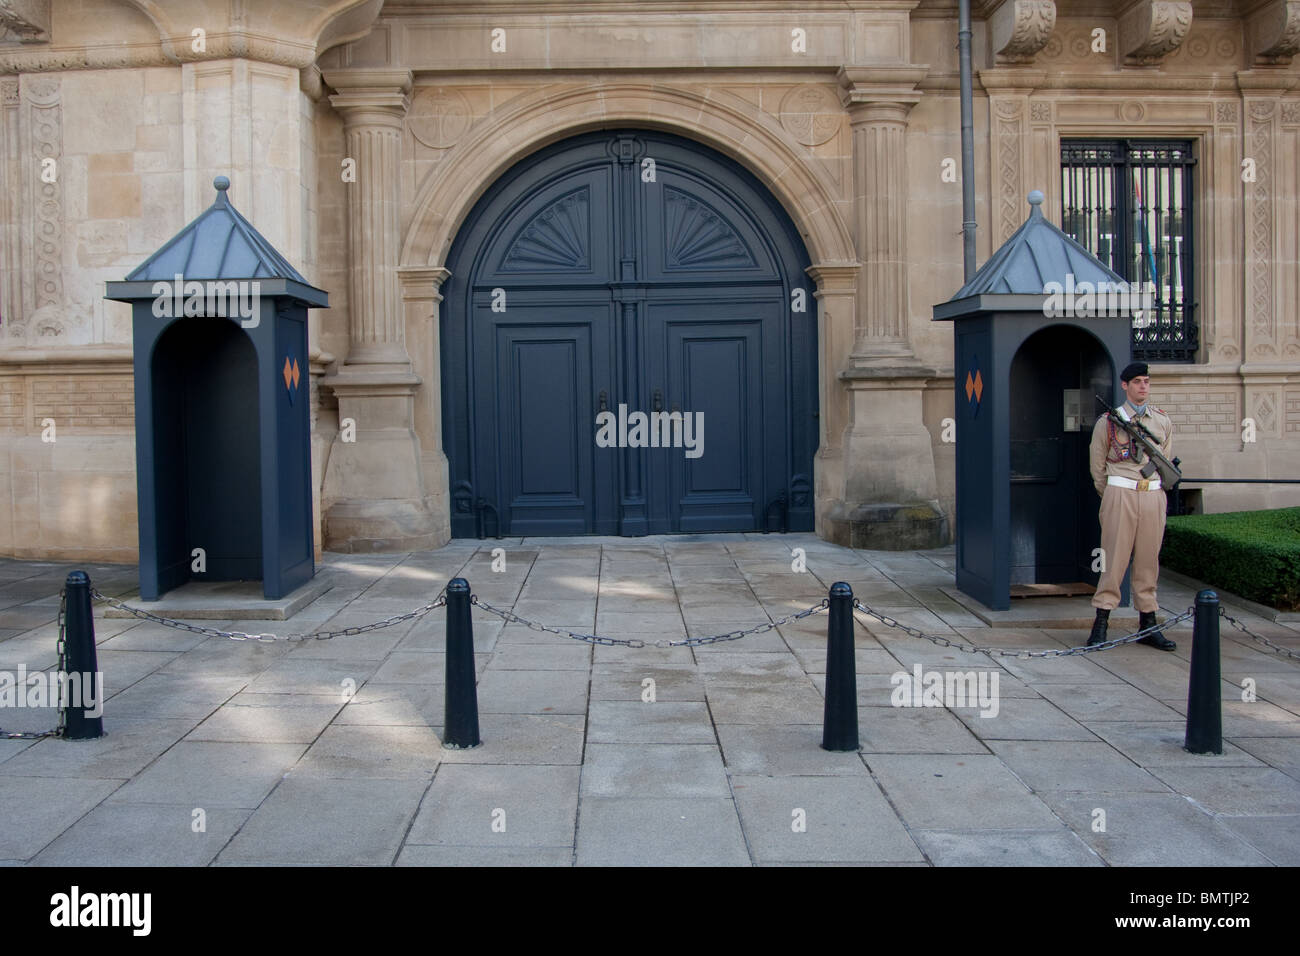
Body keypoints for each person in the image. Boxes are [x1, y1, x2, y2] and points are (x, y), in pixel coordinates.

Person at [1086, 362, 1176, 651]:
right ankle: (1101, 622)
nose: (1143, 386)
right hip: (1120, 493)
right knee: (1113, 562)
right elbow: (1097, 467)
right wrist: (1113, 493)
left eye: (1147, 381)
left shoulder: (1161, 421)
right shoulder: (1108, 422)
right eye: (1137, 381)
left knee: (1149, 561)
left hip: (1151, 495)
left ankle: (1148, 623)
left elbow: (1164, 462)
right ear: (1125, 385)